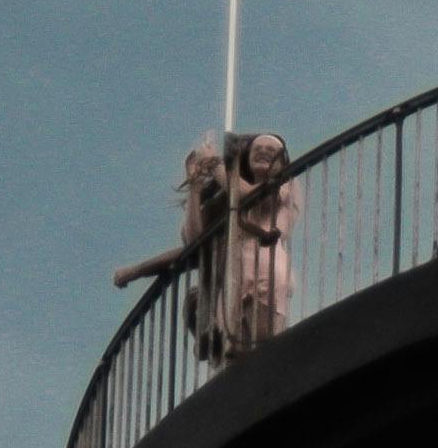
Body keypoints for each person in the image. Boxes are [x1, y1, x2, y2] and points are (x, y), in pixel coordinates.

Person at [113, 128, 304, 358]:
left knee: (263, 352)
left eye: (271, 150)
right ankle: (212, 337)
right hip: (236, 282)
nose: (263, 152)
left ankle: (218, 341)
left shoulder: (285, 184)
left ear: (282, 161)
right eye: (258, 149)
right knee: (236, 360)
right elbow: (196, 244)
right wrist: (195, 186)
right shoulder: (237, 213)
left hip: (266, 274)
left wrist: (215, 165)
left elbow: (243, 195)